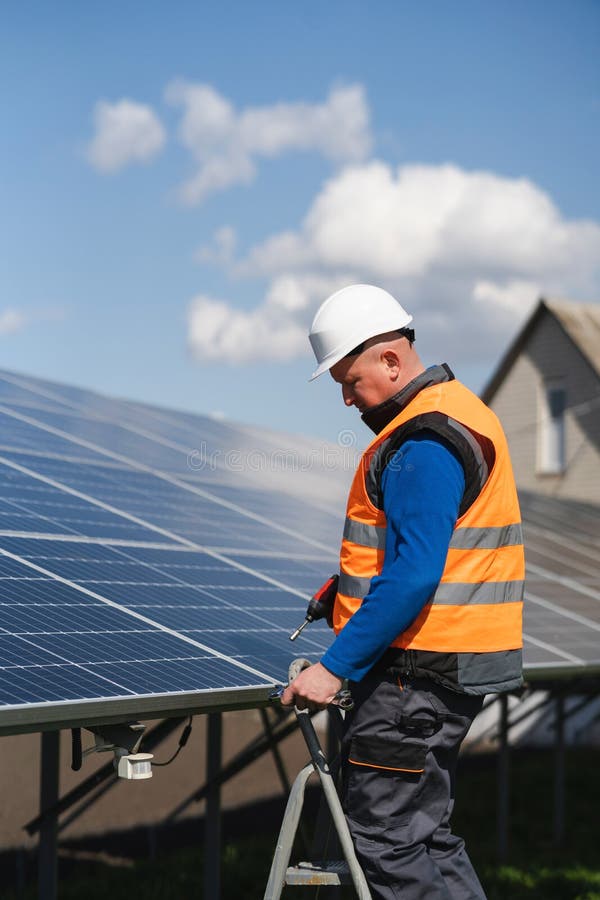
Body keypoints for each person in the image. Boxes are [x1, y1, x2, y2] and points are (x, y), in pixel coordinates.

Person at [281, 284, 524, 900]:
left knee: (383, 836)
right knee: (424, 835)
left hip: (413, 676)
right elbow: (436, 550)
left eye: (350, 380)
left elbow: (415, 572)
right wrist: (346, 588)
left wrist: (334, 669)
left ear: (392, 361)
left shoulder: (423, 440)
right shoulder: (465, 411)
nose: (345, 398)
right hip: (448, 669)